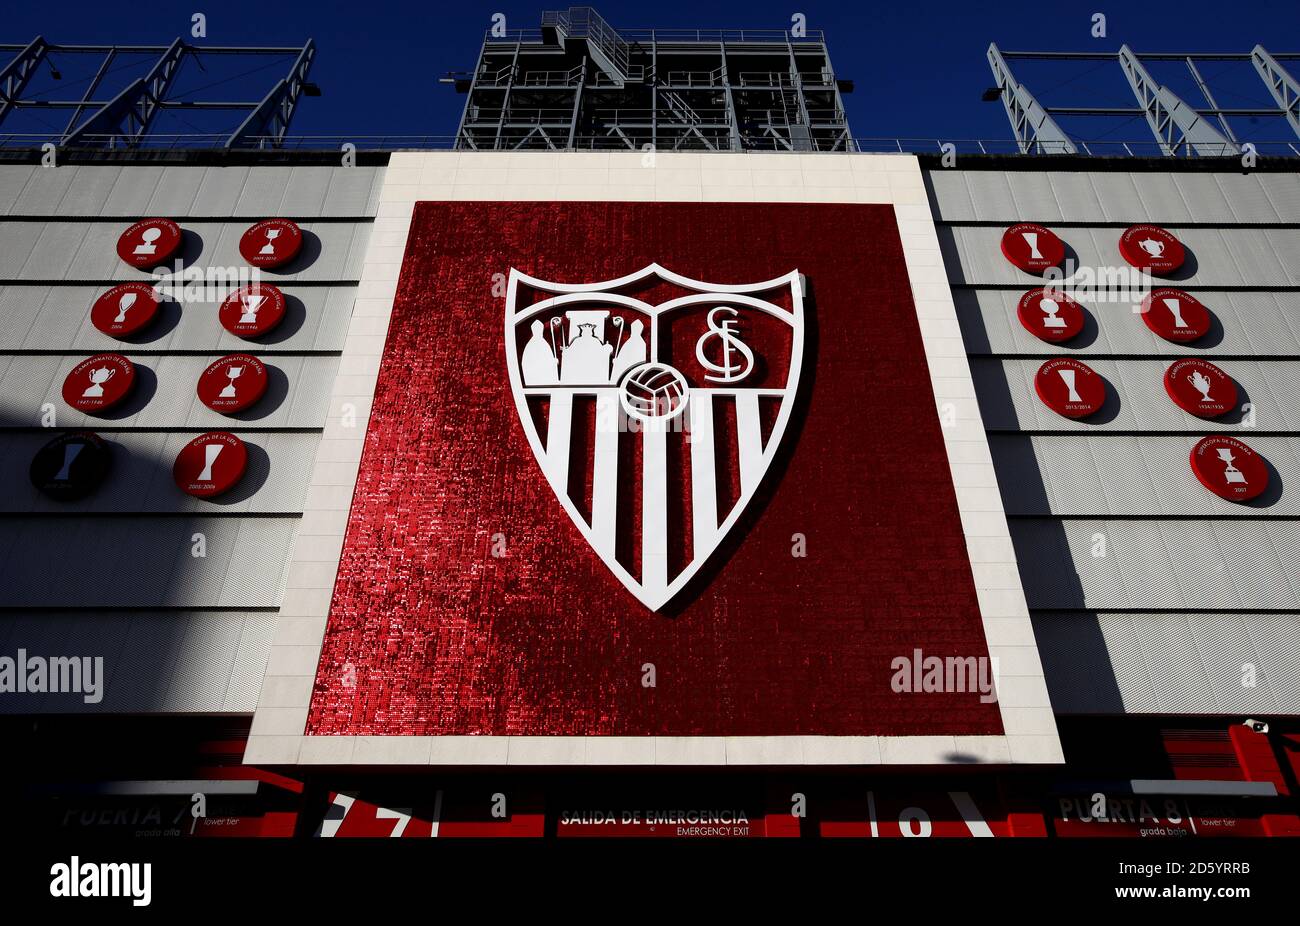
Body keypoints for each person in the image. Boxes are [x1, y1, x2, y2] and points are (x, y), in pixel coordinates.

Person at [521, 319, 559, 385]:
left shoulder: (542, 343)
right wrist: (553, 362)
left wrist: (553, 361)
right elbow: (540, 362)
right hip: (538, 379)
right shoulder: (534, 345)